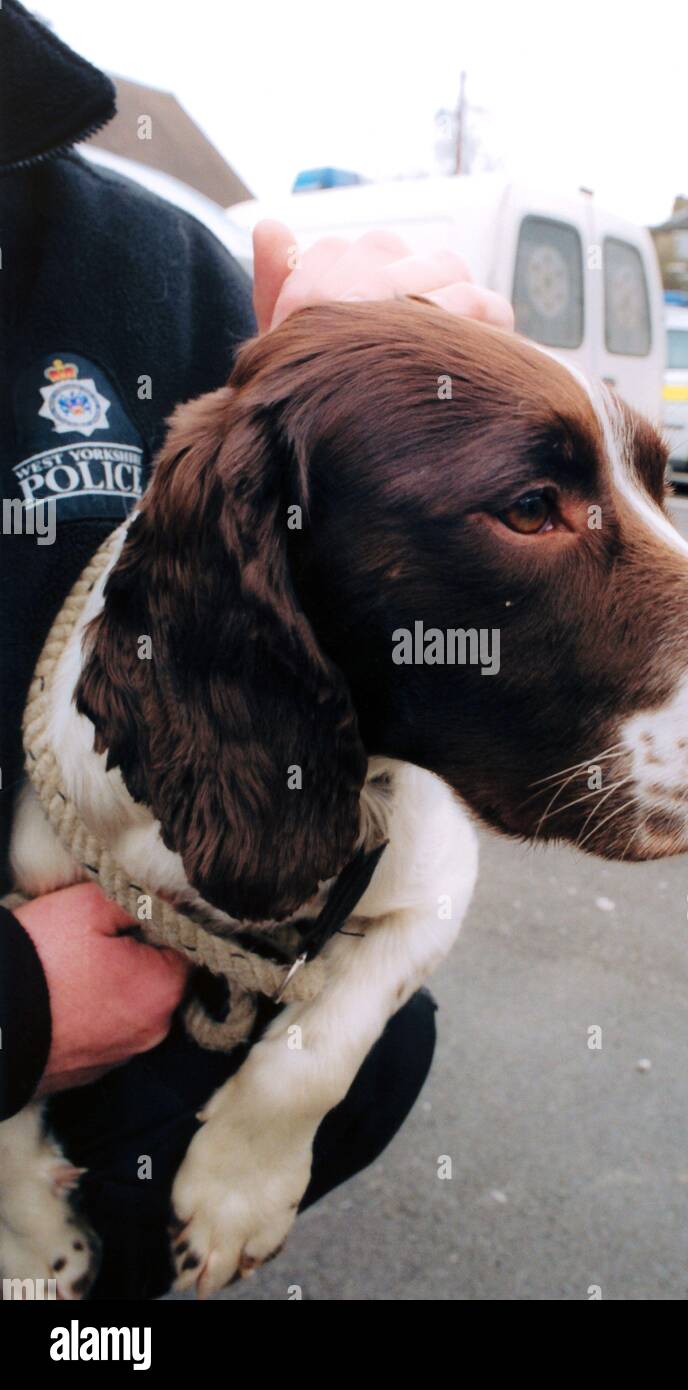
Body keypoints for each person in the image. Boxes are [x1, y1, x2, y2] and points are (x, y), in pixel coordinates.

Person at [0, 0, 511, 1298]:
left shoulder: (151, 265)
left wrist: (413, 456)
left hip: (119, 1166)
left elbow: (345, 723)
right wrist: (16, 1009)